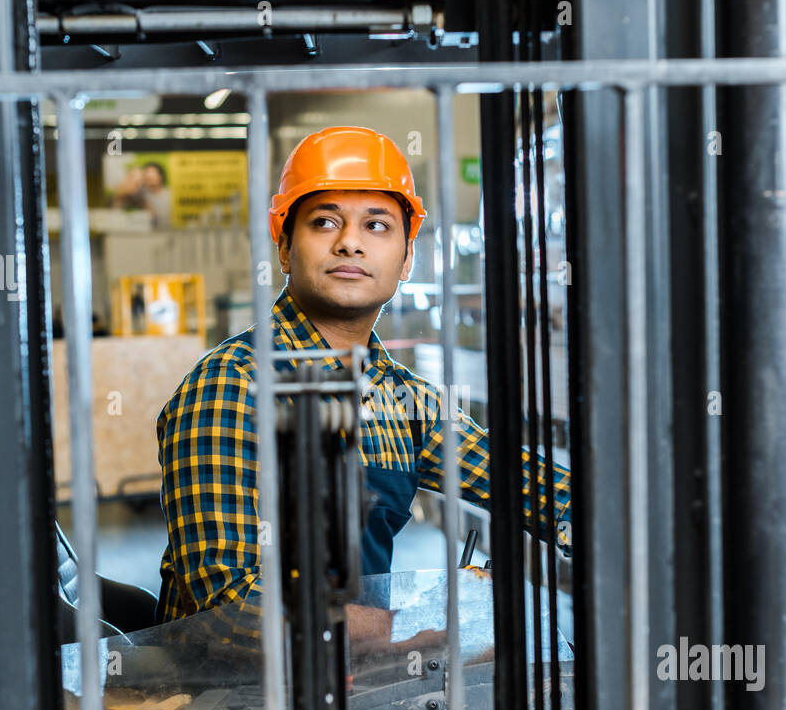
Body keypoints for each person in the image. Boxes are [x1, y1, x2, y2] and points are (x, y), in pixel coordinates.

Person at [154, 126, 571, 638]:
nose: (350, 242)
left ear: (407, 259)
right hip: (235, 704)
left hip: (355, 687)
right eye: (325, 221)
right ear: (284, 250)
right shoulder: (231, 387)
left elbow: (532, 487)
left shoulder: (401, 398)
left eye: (376, 225)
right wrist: (402, 631)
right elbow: (226, 609)